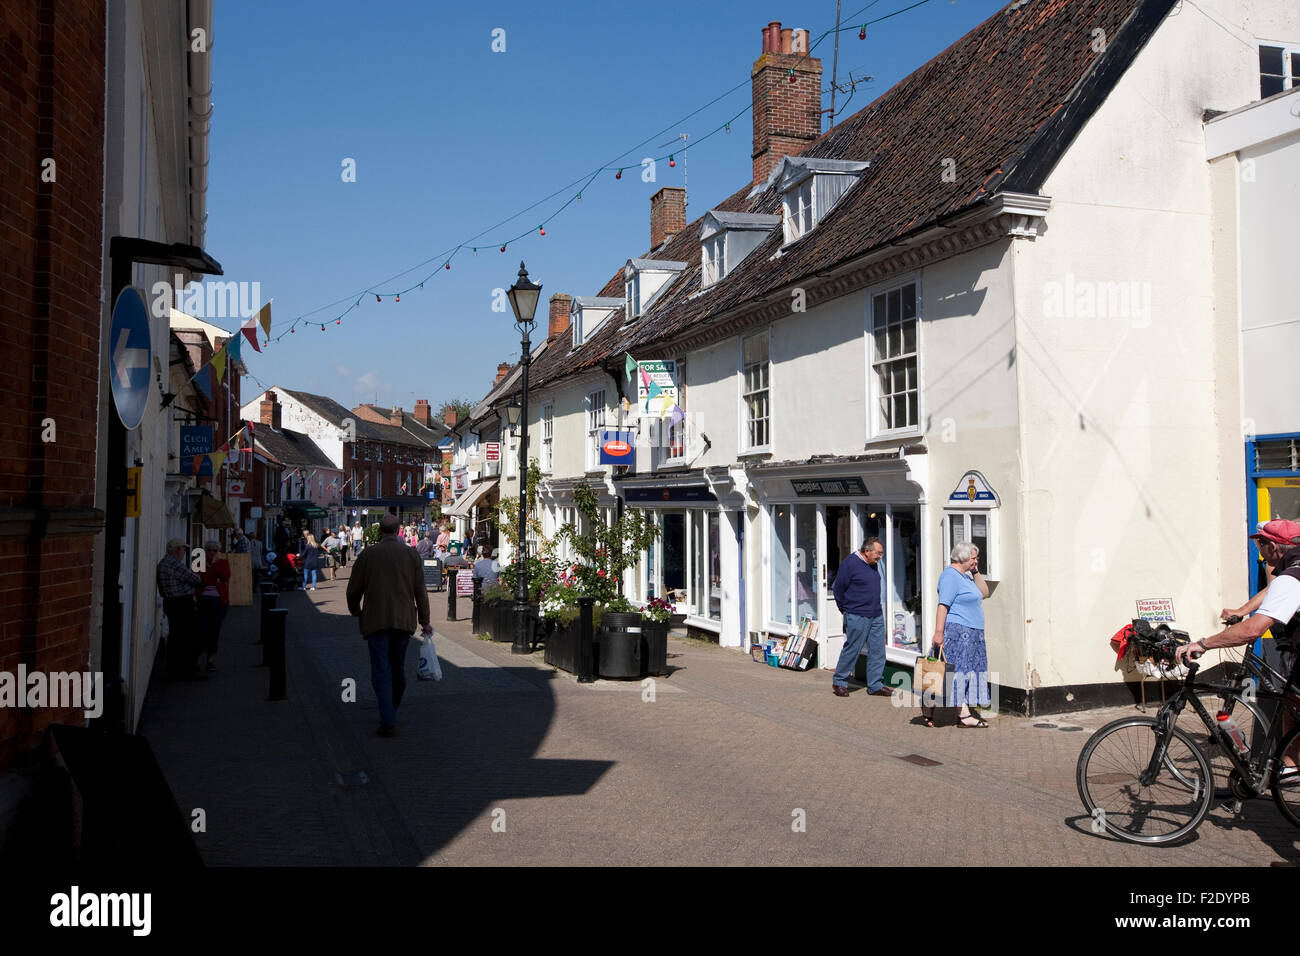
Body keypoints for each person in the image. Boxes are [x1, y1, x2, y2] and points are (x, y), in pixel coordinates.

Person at [1177, 520, 1300, 772]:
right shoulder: (1292, 570)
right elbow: (1272, 592)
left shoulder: (1291, 577)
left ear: (1274, 546)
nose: (1259, 548)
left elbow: (1253, 630)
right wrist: (1242, 611)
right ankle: (1291, 764)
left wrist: (1203, 644)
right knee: (1292, 699)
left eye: (1261, 543)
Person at [346, 513, 432, 738]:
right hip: (403, 621)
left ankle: (388, 718)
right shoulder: (411, 555)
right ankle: (391, 710)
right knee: (397, 669)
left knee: (381, 671)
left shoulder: (368, 555)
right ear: (397, 531)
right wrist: (425, 621)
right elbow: (420, 592)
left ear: (380, 531)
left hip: (376, 621)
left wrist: (355, 610)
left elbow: (353, 588)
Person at [928, 542, 992, 728]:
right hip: (958, 634)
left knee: (967, 673)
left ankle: (929, 707)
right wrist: (938, 632)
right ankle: (963, 715)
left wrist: (975, 571)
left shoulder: (965, 577)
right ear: (962, 557)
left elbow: (985, 593)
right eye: (973, 558)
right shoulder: (950, 576)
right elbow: (943, 605)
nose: (976, 561)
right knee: (958, 673)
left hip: (973, 635)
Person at [831, 537, 889, 698]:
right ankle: (840, 681)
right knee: (853, 648)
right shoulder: (850, 564)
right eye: (878, 553)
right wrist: (847, 610)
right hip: (857, 614)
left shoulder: (873, 564)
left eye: (881, 554)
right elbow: (838, 590)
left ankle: (875, 684)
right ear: (867, 551)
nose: (880, 557)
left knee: (878, 650)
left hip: (876, 613)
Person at [157, 539, 203, 679]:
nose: (184, 553)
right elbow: (196, 579)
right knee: (189, 636)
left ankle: (174, 668)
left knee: (175, 635)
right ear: (177, 550)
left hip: (169, 602)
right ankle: (187, 670)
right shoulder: (175, 564)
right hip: (182, 603)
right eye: (183, 550)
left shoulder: (162, 564)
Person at [195, 539, 231, 672]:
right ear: (205, 551)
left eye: (215, 550)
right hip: (203, 599)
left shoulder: (223, 563)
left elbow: (225, 577)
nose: (211, 553)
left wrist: (214, 567)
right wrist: (215, 579)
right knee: (201, 630)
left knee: (214, 630)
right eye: (209, 550)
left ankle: (210, 660)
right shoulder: (198, 562)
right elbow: (198, 579)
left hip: (219, 601)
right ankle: (198, 658)